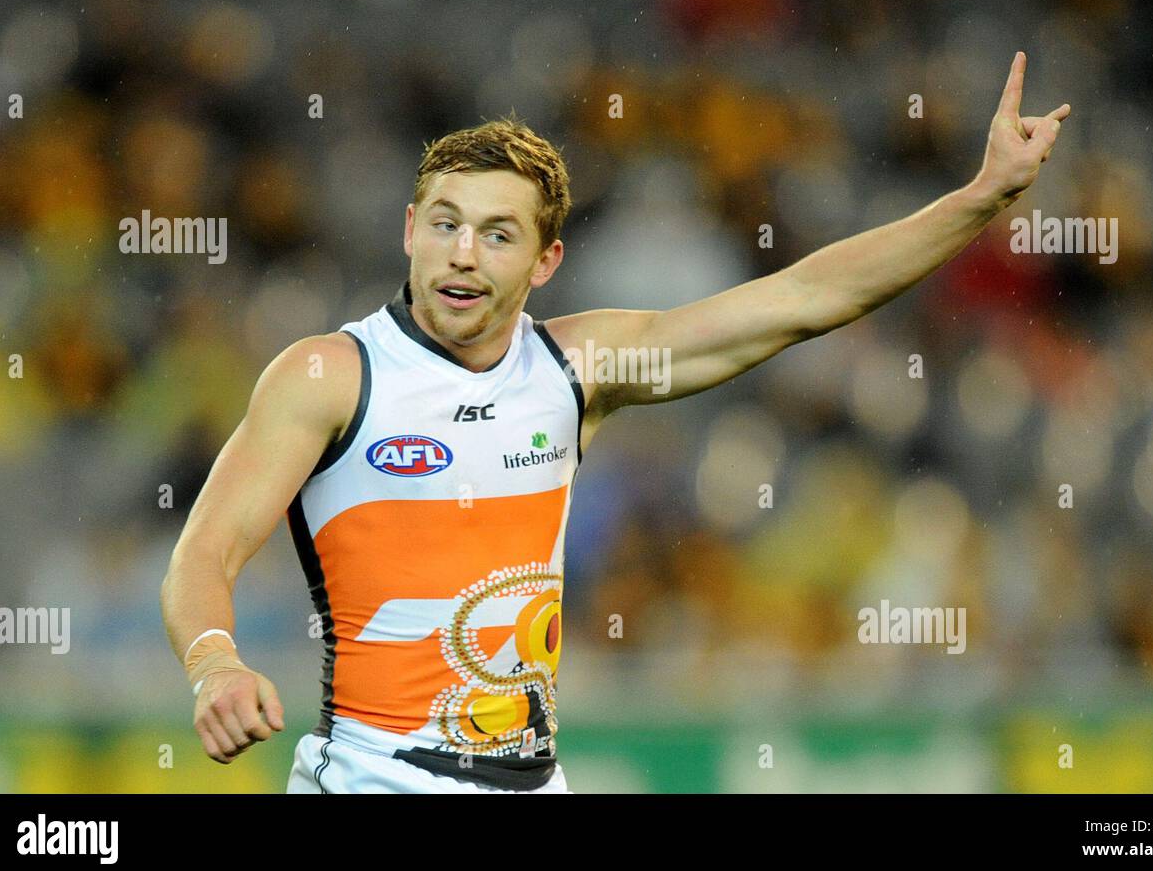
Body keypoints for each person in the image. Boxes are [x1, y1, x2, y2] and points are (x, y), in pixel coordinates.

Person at [160, 52, 1069, 793]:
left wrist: (979, 200)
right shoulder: (328, 377)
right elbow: (204, 553)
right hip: (372, 782)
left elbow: (802, 300)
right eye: (444, 223)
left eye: (497, 233)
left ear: (546, 260)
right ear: (407, 229)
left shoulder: (578, 373)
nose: (463, 253)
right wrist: (215, 665)